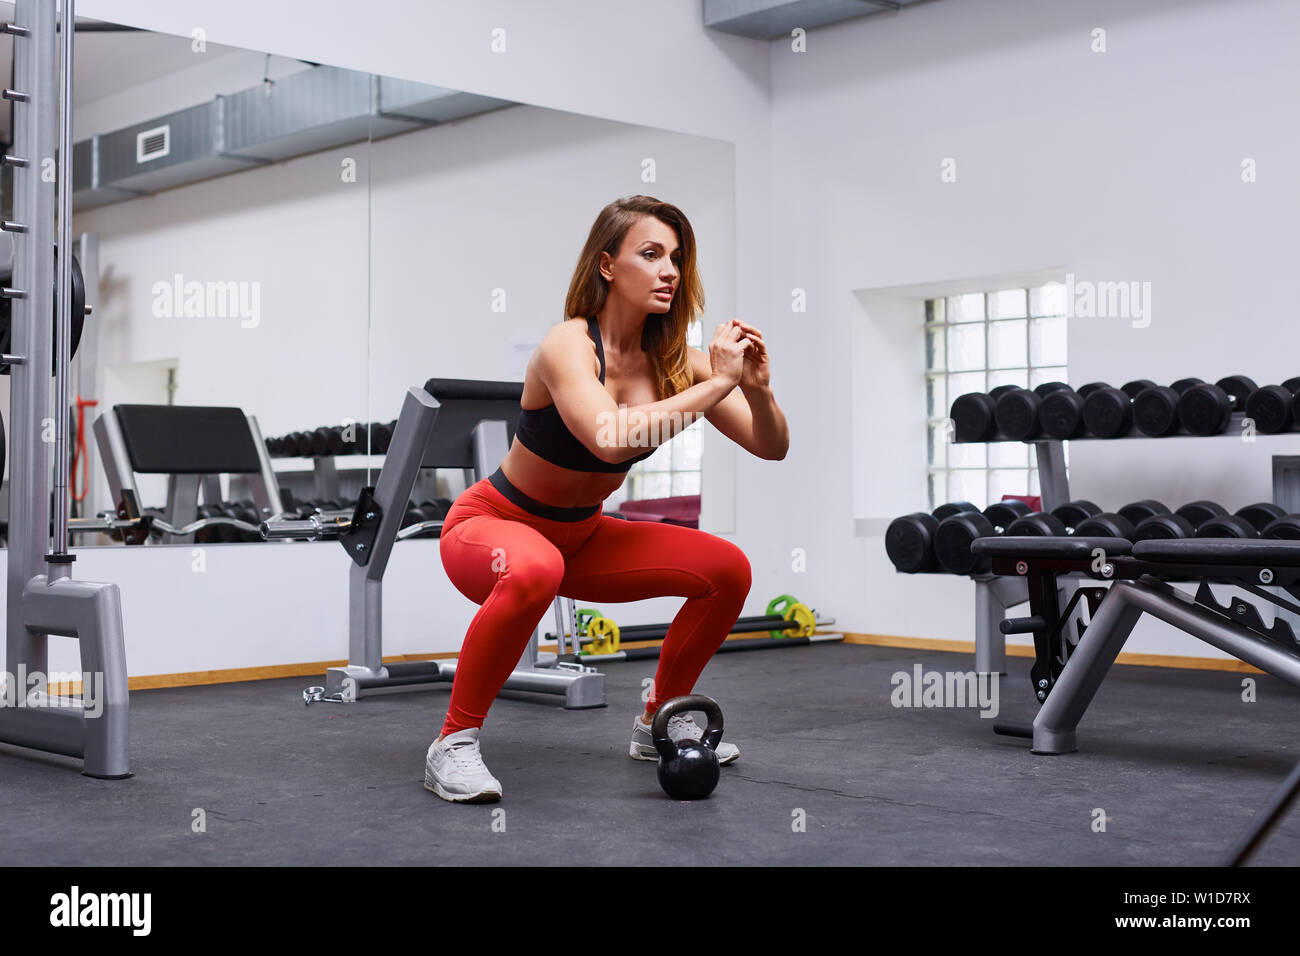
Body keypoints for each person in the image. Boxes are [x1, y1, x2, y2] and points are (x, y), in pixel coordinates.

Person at [426, 195, 789, 802]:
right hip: (492, 526)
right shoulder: (567, 344)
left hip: (584, 536)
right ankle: (453, 744)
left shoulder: (678, 363)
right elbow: (612, 437)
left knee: (728, 569)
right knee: (537, 566)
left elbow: (769, 445)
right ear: (607, 266)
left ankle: (657, 722)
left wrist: (757, 391)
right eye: (651, 254)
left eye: (676, 258)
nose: (670, 270)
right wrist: (720, 382)